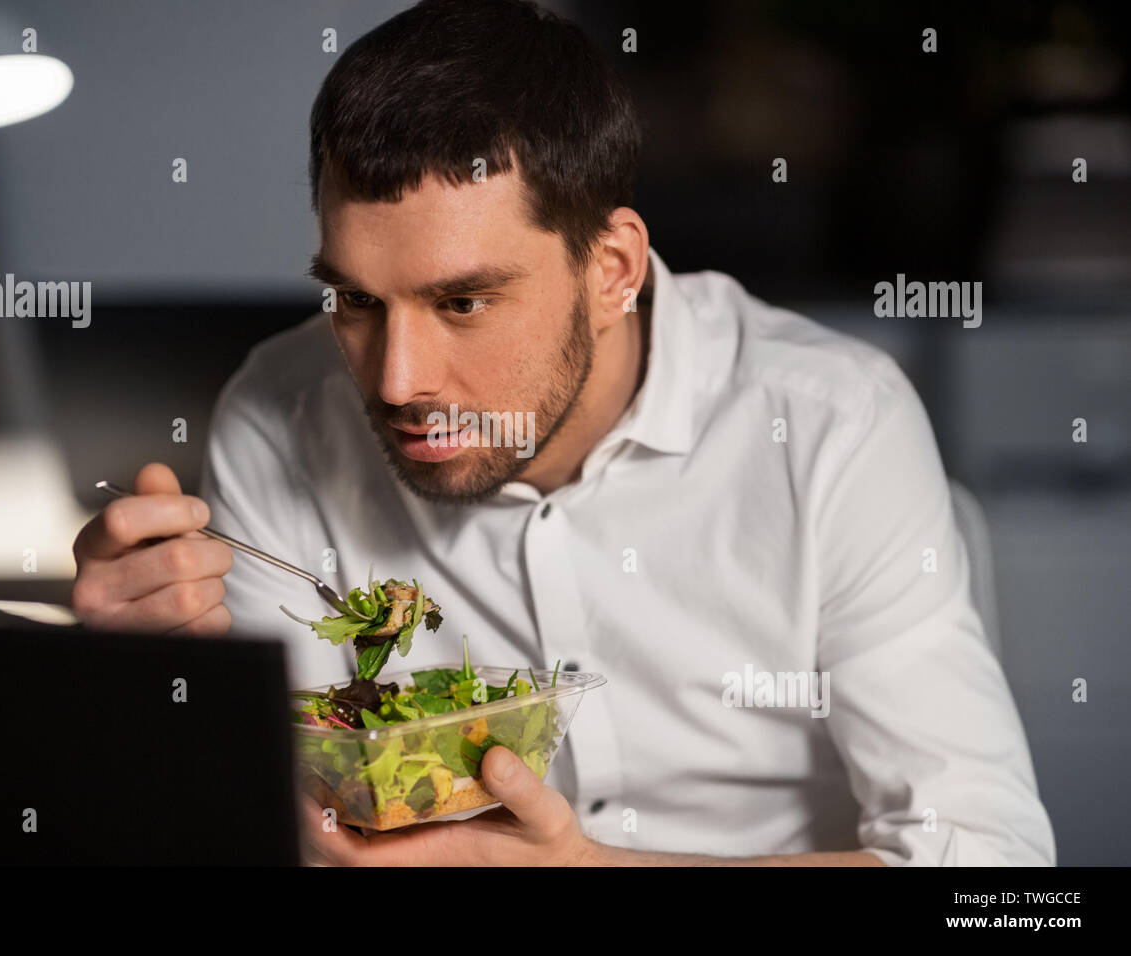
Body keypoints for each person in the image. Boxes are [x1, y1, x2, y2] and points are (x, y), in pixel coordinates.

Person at [70, 0, 1055, 866]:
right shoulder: (279, 412)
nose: (396, 380)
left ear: (613, 267)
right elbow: (287, 825)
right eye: (357, 302)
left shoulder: (832, 423)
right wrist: (159, 701)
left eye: (462, 301)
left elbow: (993, 874)